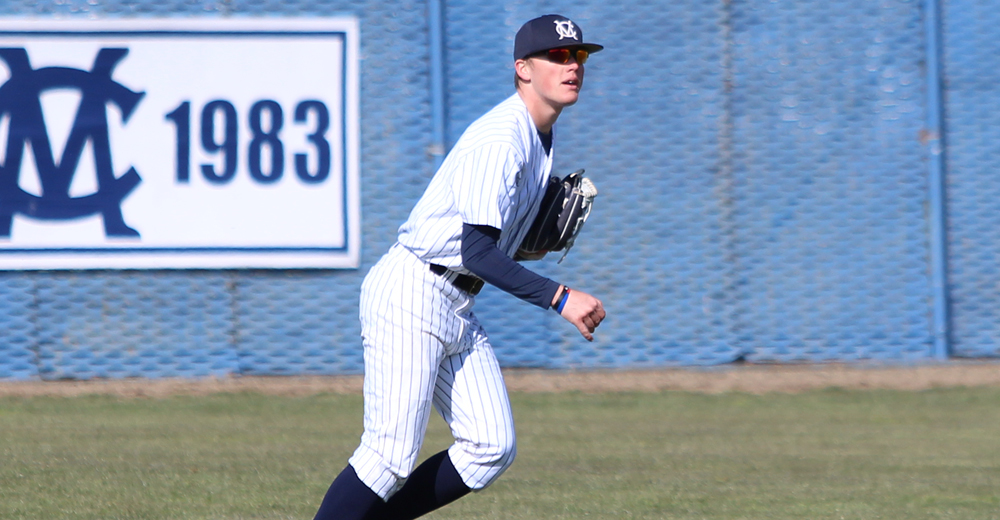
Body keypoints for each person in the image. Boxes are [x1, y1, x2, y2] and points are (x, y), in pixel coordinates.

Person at [312, 14, 607, 520]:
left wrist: (525, 239)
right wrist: (560, 297)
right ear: (523, 68)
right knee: (388, 456)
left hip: (456, 300)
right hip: (413, 291)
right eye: (557, 56)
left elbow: (486, 248)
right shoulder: (502, 139)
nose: (572, 65)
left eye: (577, 55)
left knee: (490, 445)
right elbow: (476, 253)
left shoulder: (540, 135)